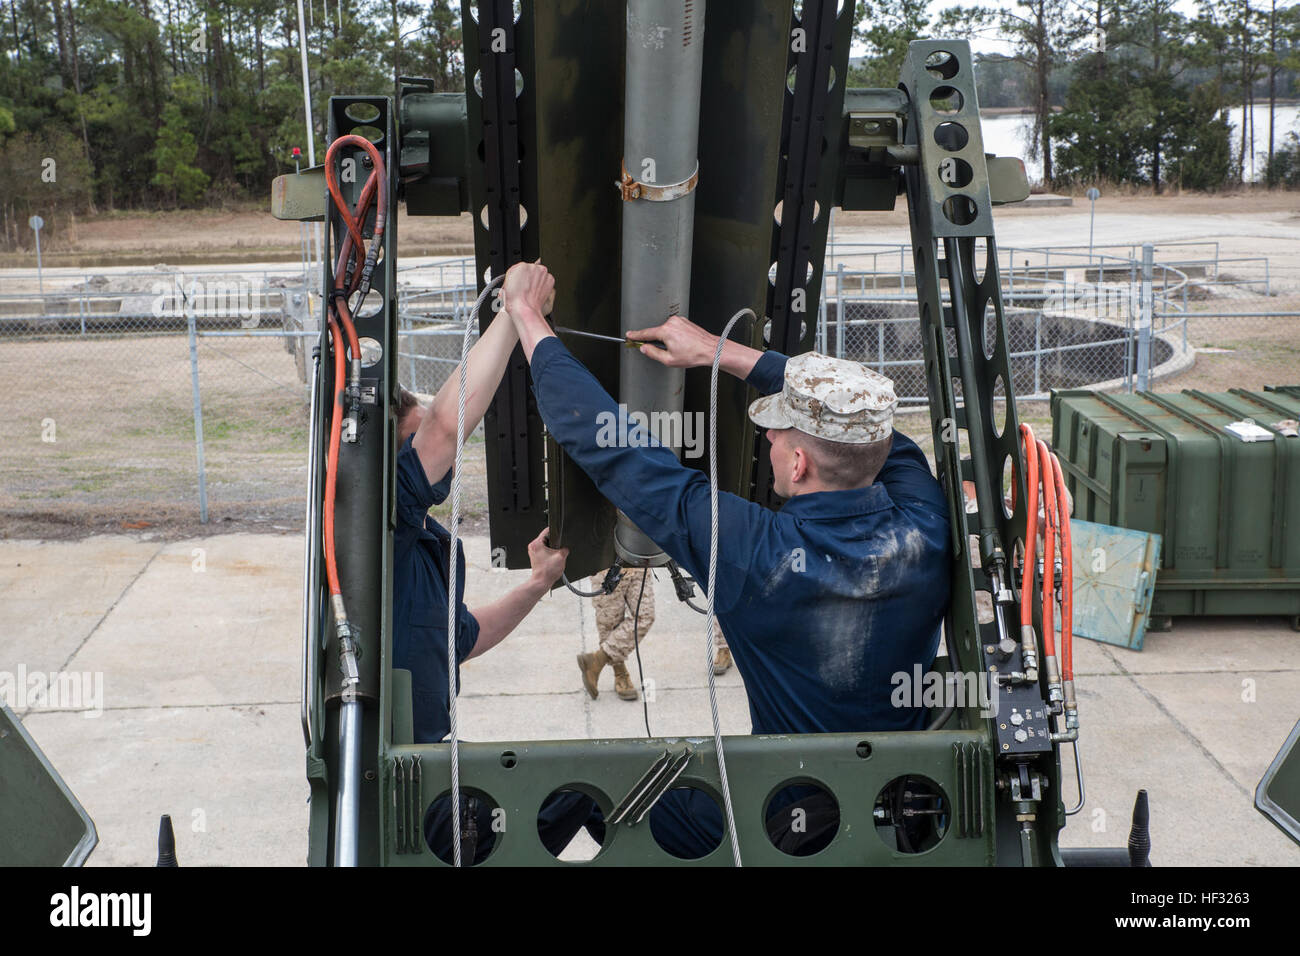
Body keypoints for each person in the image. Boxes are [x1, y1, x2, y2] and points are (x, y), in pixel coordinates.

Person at [500, 262, 951, 858]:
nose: (766, 439)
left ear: (797, 467)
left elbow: (610, 445)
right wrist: (716, 351)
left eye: (778, 434)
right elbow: (875, 423)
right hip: (900, 813)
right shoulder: (928, 524)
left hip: (787, 823)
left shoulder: (754, 555)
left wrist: (527, 314)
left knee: (589, 794)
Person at [391, 284, 602, 862]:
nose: (436, 461)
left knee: (585, 790)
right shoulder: (383, 527)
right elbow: (444, 424)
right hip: (406, 786)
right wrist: (516, 313)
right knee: (584, 789)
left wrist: (536, 585)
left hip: (432, 769)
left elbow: (461, 637)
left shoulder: (417, 550)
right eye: (412, 447)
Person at [580, 567, 655, 701]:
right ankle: (620, 673)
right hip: (605, 567)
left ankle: (598, 660)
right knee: (609, 623)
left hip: (640, 563)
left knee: (646, 616)